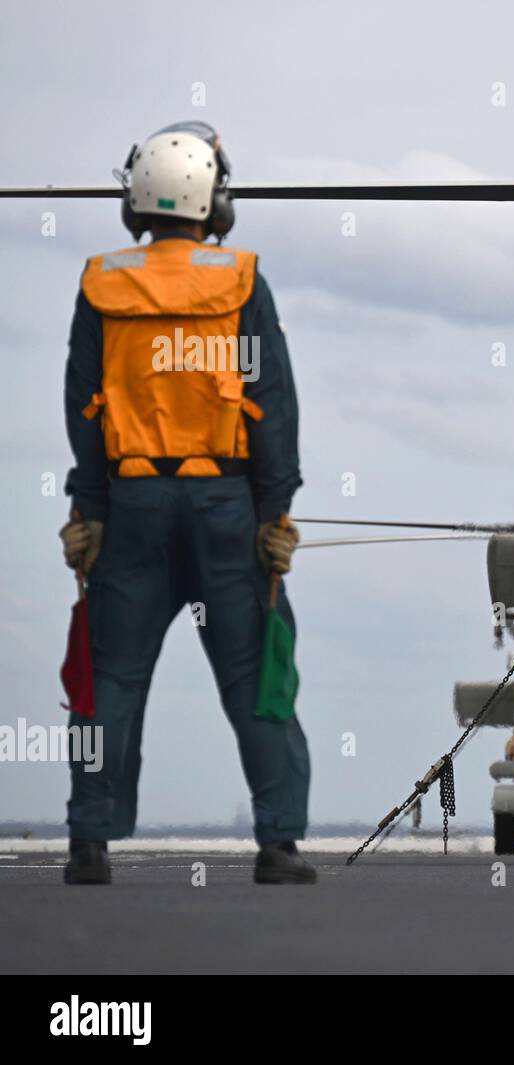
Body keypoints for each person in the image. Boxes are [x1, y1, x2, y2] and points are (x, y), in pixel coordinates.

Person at [57, 121, 314, 885]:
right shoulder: (240, 281)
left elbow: (83, 408)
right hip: (226, 506)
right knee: (255, 673)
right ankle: (278, 844)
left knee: (110, 677)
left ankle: (89, 843)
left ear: (135, 197)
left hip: (131, 503)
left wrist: (89, 510)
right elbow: (272, 403)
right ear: (214, 199)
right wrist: (275, 513)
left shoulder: (102, 283)